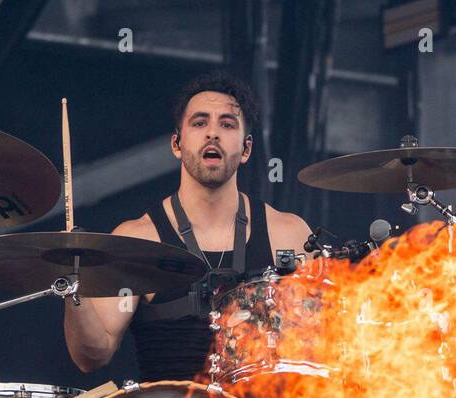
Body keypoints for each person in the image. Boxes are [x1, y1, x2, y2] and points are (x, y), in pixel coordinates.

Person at [63, 71, 312, 380]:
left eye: (227, 124)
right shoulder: (137, 240)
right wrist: (73, 287)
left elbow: (318, 349)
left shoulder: (289, 234)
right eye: (199, 122)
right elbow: (93, 355)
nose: (212, 133)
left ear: (246, 149)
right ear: (176, 144)